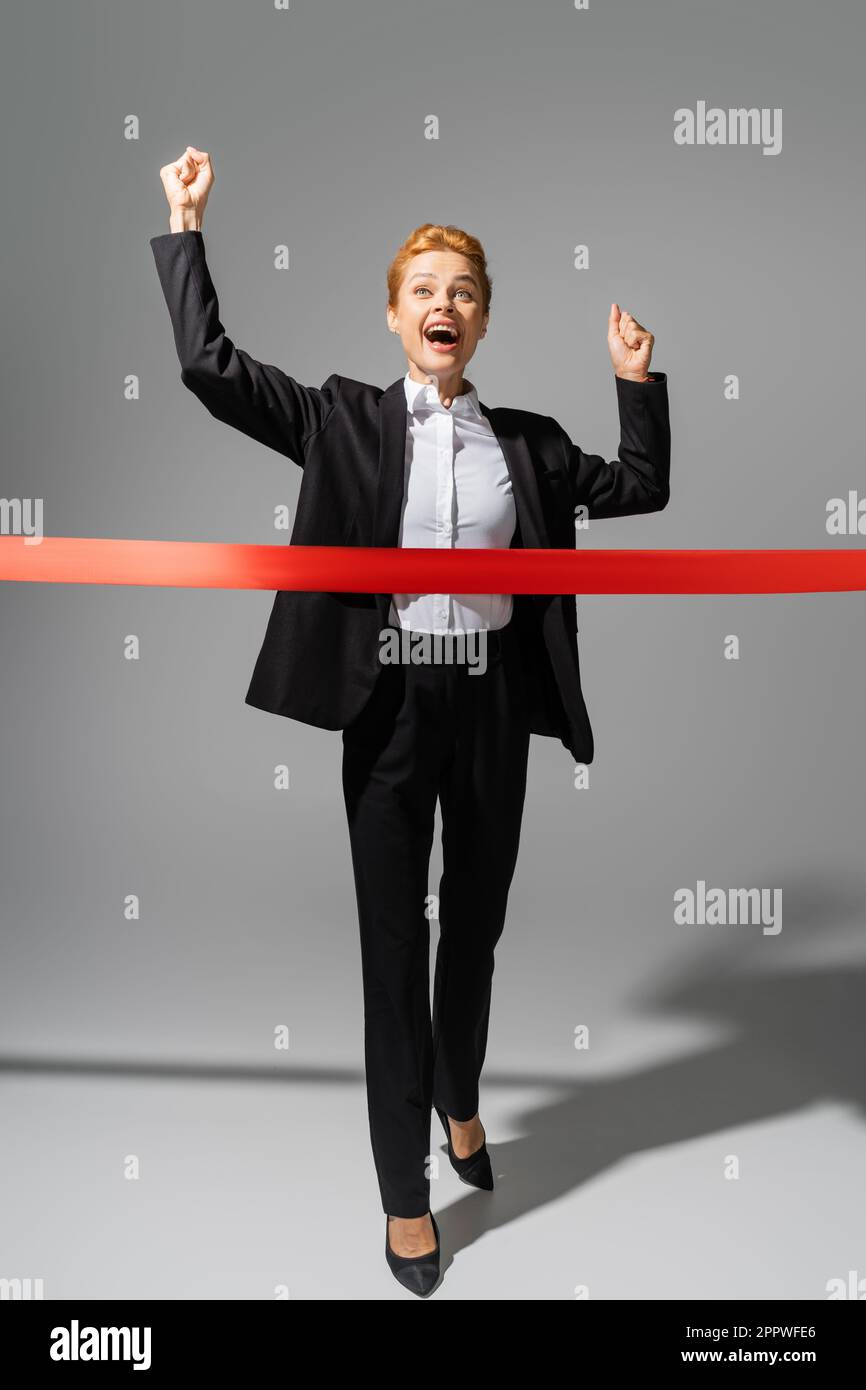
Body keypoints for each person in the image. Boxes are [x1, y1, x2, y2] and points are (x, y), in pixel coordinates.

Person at [151, 145, 671, 1297]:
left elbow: (640, 488)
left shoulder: (525, 443)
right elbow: (207, 366)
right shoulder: (340, 420)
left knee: (472, 927)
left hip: (486, 699)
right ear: (394, 316)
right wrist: (186, 227)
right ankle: (402, 1194)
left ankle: (460, 1100)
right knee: (393, 947)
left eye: (465, 293)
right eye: (425, 290)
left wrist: (636, 379)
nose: (445, 306)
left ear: (481, 324)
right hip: (384, 699)